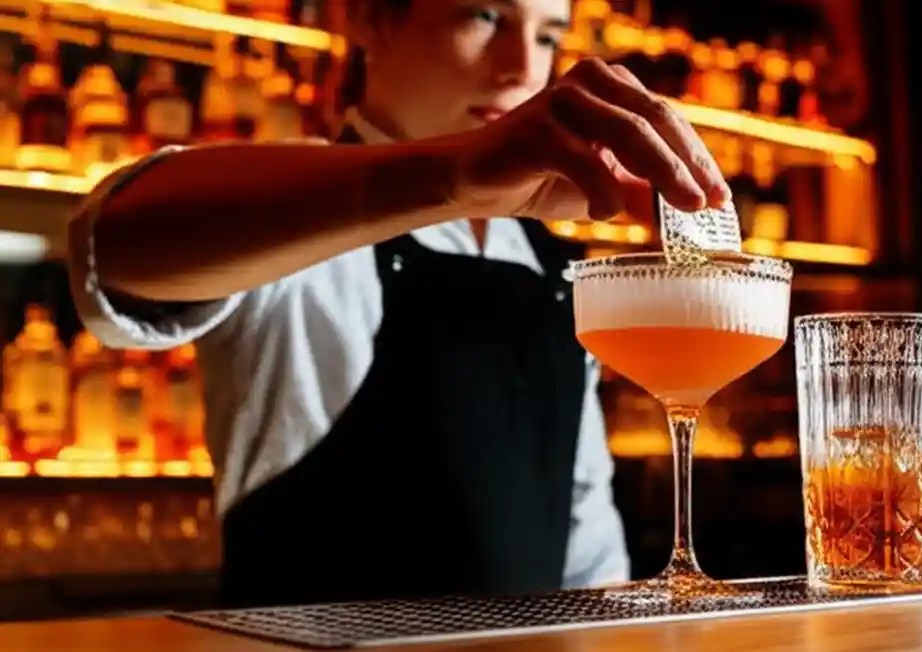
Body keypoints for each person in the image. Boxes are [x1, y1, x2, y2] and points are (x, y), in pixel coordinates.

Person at [66, 0, 731, 608]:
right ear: (368, 18)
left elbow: (587, 552)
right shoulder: (292, 215)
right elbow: (112, 249)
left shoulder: (554, 267)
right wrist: (451, 175)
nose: (524, 69)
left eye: (547, 36)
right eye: (484, 17)